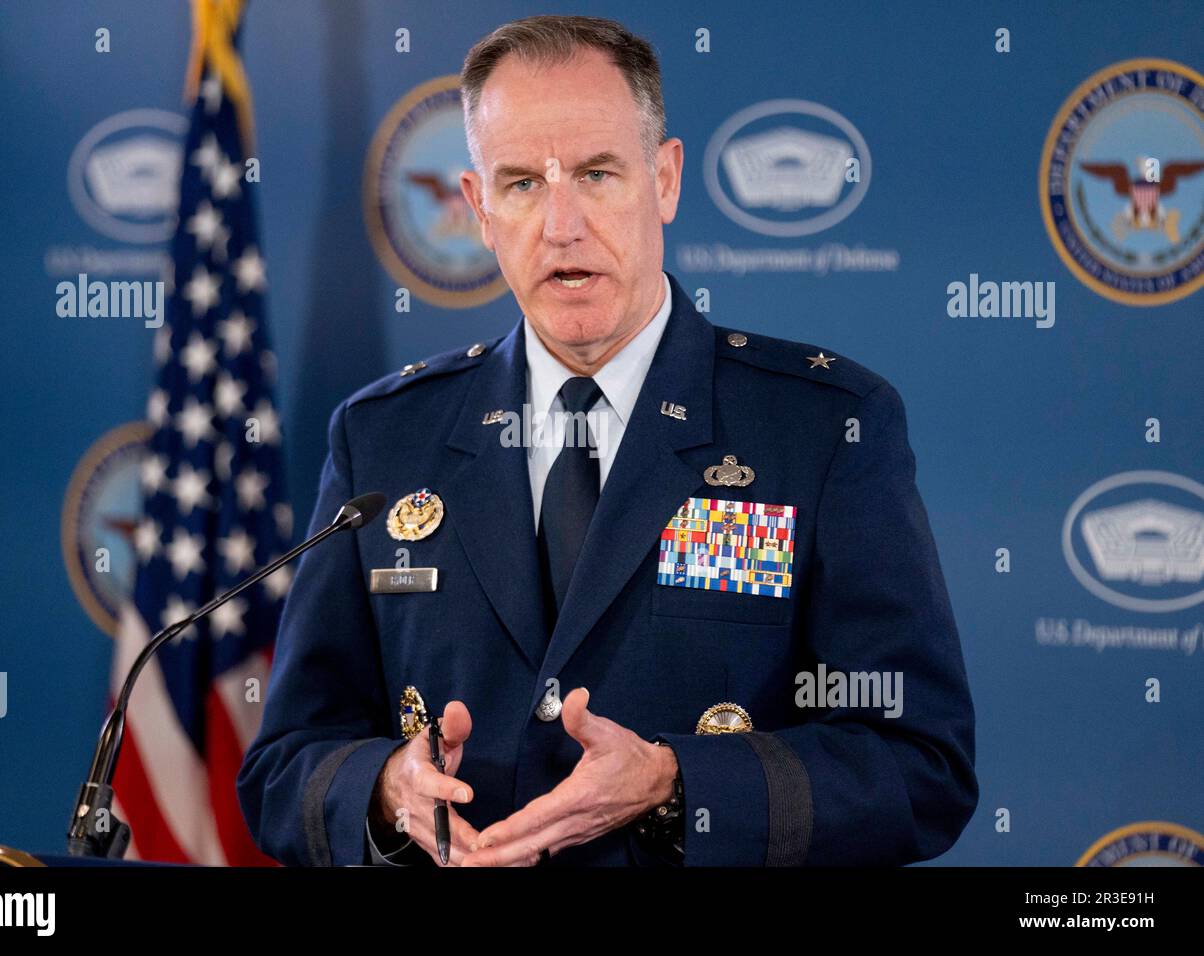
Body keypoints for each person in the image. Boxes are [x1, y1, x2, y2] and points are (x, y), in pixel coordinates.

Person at [237, 14, 977, 867]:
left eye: (596, 173)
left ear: (664, 180)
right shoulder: (384, 438)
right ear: (479, 208)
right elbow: (285, 767)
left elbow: (922, 766)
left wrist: (678, 786)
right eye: (522, 183)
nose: (562, 225)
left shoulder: (822, 429)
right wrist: (383, 788)